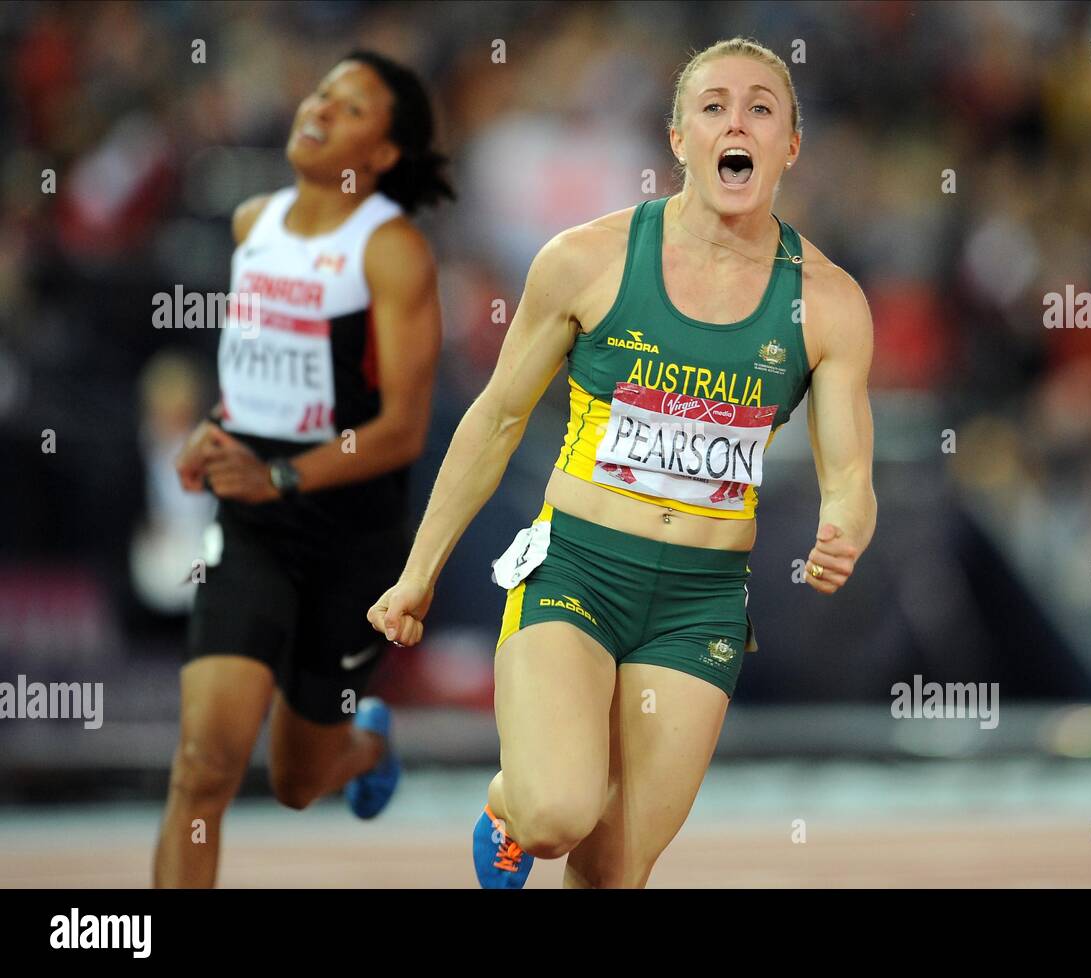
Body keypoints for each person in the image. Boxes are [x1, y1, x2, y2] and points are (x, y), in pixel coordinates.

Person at [369, 37, 876, 889]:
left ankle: (535, 797)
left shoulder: (826, 303)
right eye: (713, 105)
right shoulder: (586, 262)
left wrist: (843, 528)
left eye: (761, 107)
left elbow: (851, 476)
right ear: (678, 139)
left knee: (613, 869)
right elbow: (495, 419)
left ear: (790, 144)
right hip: (576, 569)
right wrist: (419, 571)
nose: (736, 121)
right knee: (558, 816)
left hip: (700, 603)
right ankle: (509, 800)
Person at [154, 50, 451, 888]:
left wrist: (283, 476)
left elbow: (401, 429)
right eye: (322, 91)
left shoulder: (392, 253)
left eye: (351, 107)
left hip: (352, 542)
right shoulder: (254, 223)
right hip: (250, 527)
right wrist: (213, 431)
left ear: (384, 154)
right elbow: (257, 370)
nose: (320, 107)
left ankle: (364, 749)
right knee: (203, 768)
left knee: (294, 783)